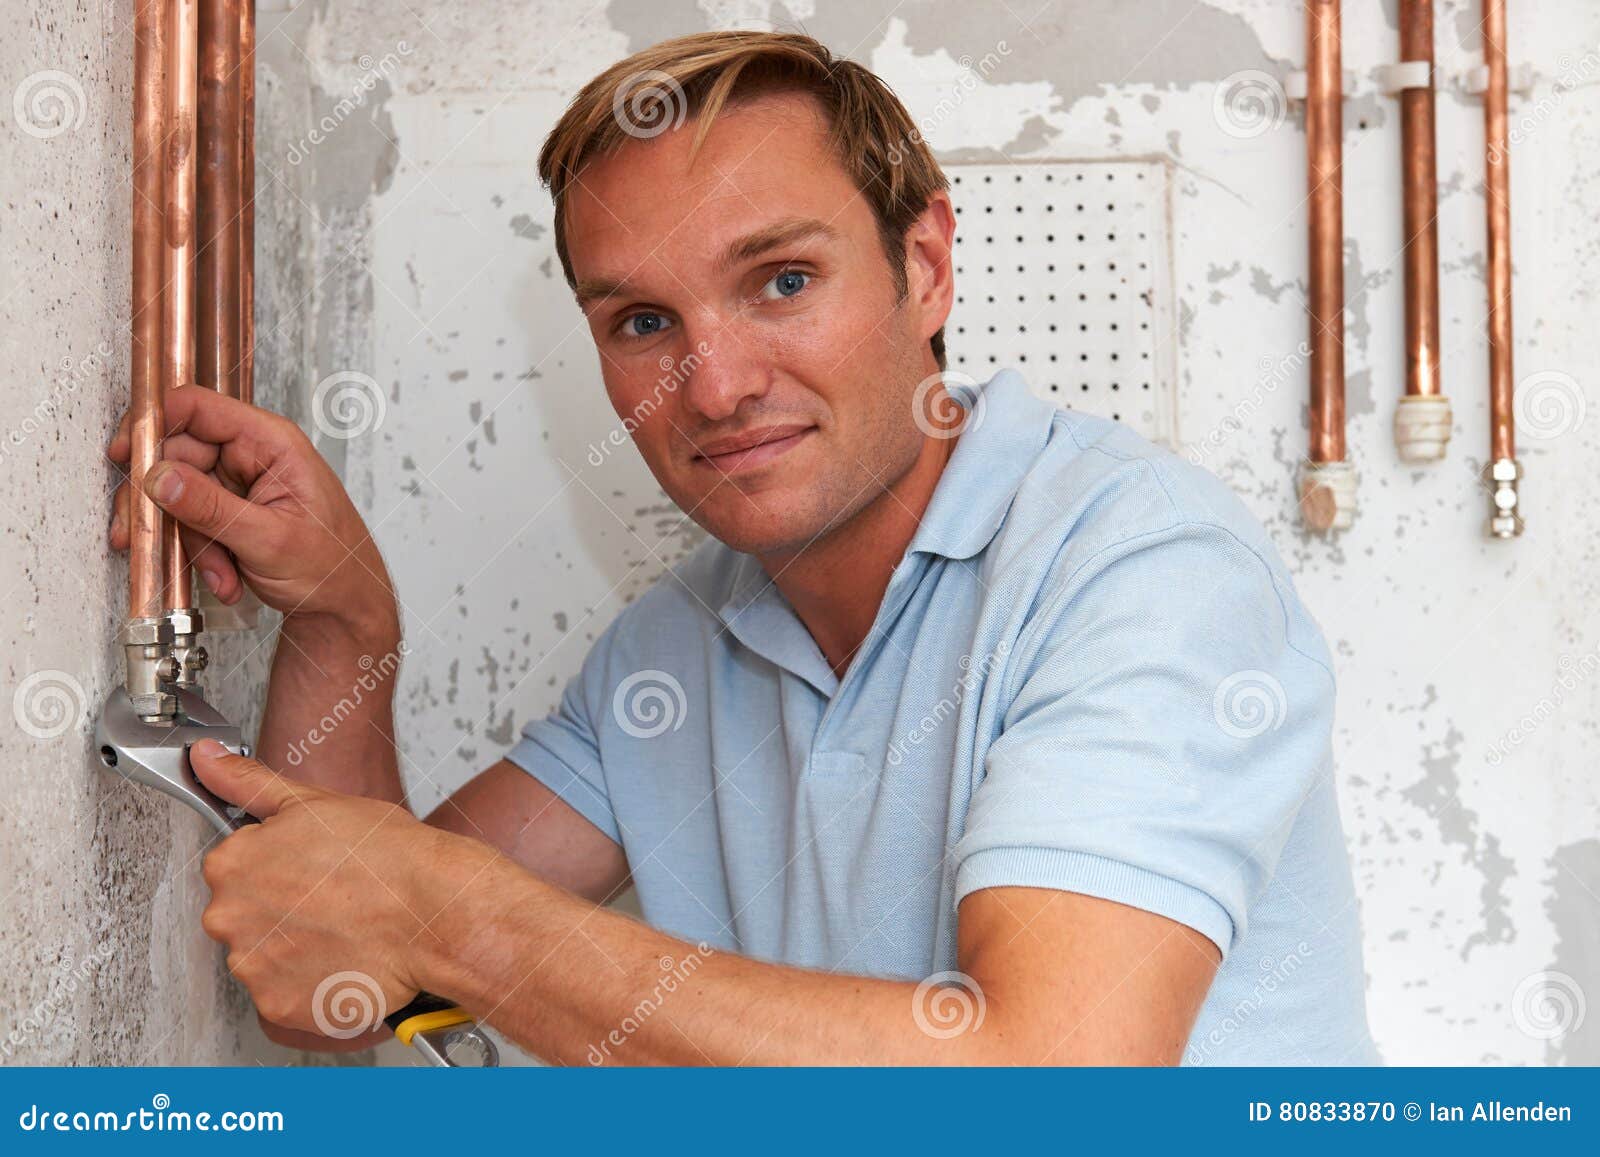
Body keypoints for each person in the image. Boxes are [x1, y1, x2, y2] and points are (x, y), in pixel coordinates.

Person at [108, 30, 1375, 1065]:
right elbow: (337, 971)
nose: (710, 387)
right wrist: (345, 623)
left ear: (924, 267)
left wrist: (458, 921)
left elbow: (1052, 1079)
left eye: (780, 281)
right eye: (645, 319)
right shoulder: (674, 650)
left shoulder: (1143, 572)